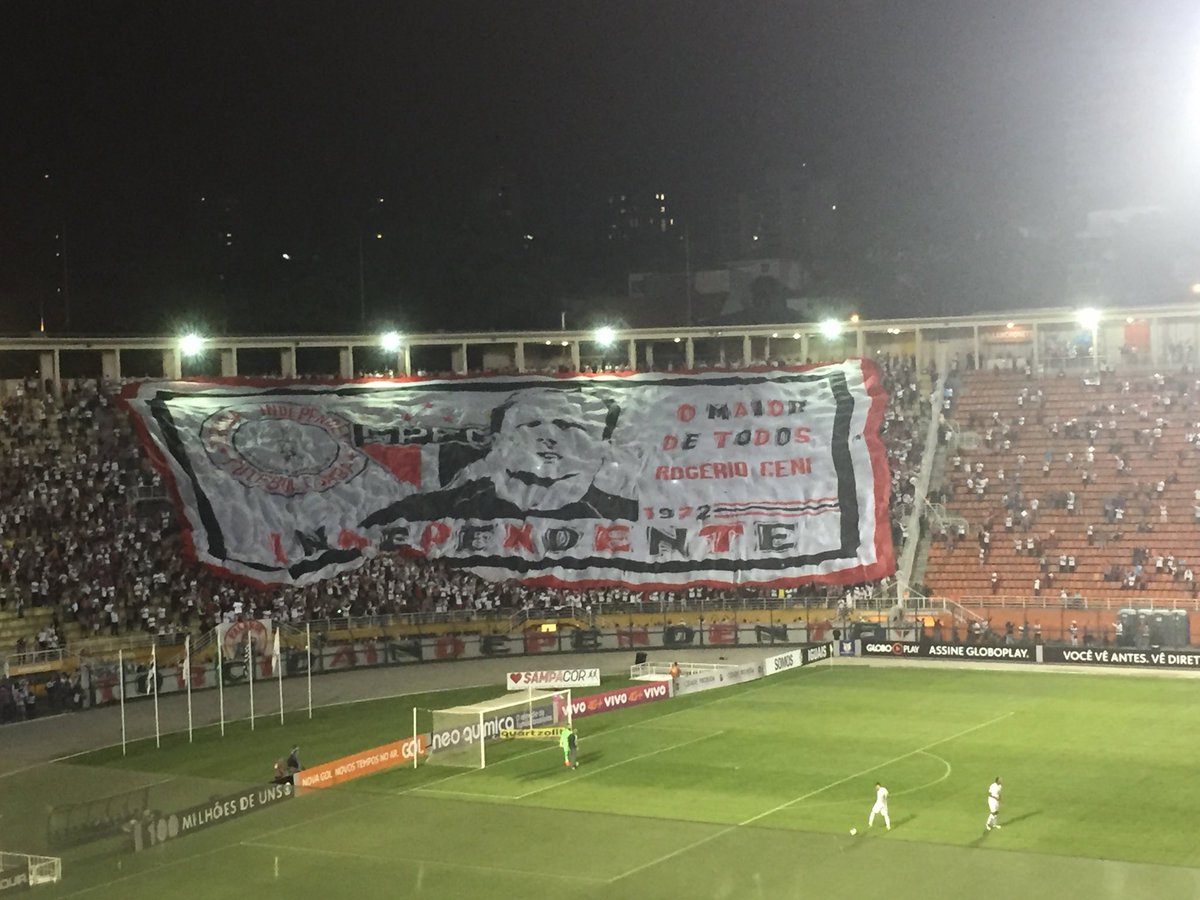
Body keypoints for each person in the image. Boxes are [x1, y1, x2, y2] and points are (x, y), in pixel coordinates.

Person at [361, 387, 639, 526]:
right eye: (531, 425)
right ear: (497, 439)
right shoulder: (427, 509)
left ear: (604, 446)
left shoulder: (622, 513)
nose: (548, 437)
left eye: (568, 427)